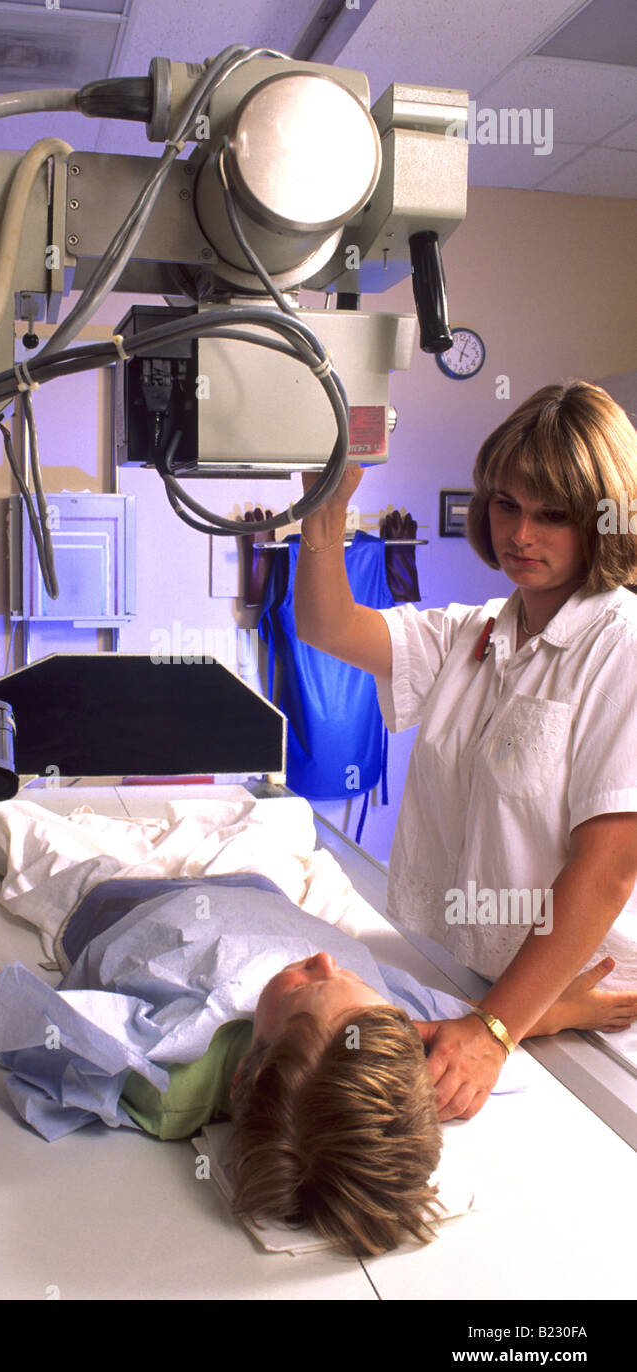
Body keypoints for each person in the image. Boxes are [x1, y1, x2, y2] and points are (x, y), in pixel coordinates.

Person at [294, 380, 637, 1124]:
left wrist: (496, 1029)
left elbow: (608, 868)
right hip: (497, 996)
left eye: (553, 516)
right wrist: (321, 520)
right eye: (507, 505)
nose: (521, 535)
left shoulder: (622, 644)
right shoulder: (478, 633)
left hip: (593, 1006)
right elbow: (328, 626)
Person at [0, 873, 583, 1259]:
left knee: (92, 890)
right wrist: (557, 1010)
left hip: (149, 904)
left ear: (243, 1077)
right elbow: (470, 1025)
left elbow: (54, 1027)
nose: (323, 960)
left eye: (299, 992)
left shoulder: (170, 1082)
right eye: (341, 981)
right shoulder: (397, 1052)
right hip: (267, 895)